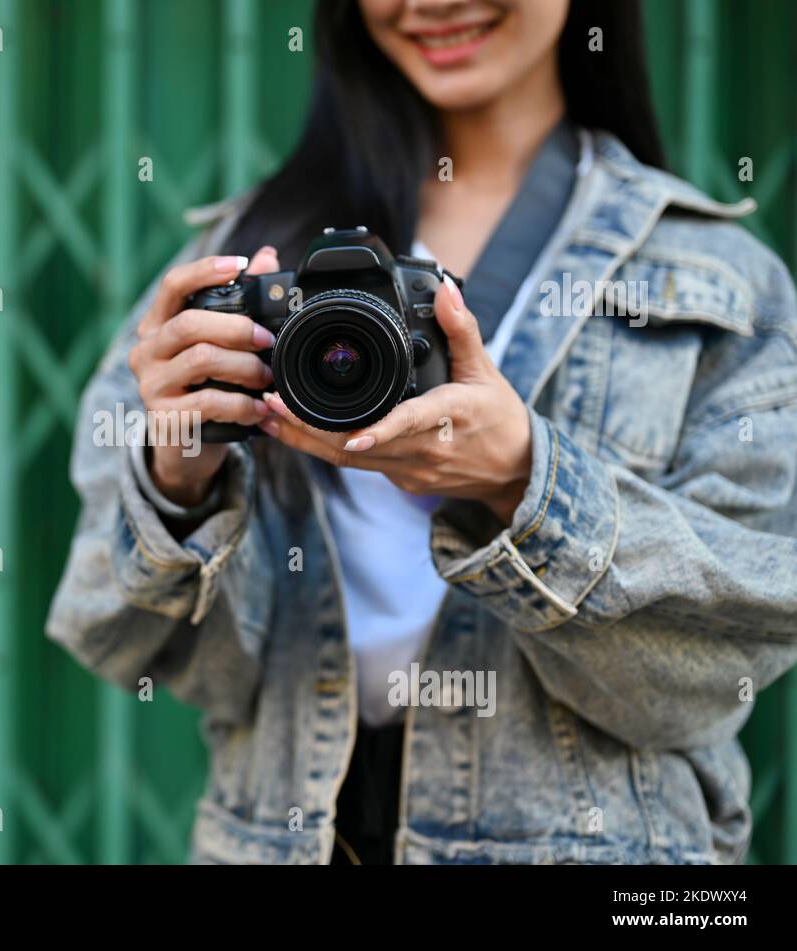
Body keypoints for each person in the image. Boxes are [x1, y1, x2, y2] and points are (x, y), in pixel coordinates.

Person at [46, 0, 797, 864]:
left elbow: (727, 656)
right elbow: (129, 644)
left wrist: (523, 481)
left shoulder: (717, 281)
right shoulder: (245, 257)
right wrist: (180, 478)